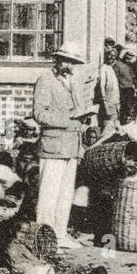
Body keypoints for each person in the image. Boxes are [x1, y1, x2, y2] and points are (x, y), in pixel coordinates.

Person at [32, 41, 93, 249]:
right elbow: (39, 113)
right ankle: (43, 238)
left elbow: (77, 109)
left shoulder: (74, 83)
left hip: (71, 145)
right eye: (67, 61)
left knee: (65, 194)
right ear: (57, 60)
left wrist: (82, 116)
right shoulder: (46, 81)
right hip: (53, 145)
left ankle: (59, 234)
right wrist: (68, 119)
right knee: (48, 194)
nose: (70, 65)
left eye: (73, 62)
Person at [96, 42, 121, 135]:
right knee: (107, 128)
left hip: (115, 105)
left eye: (114, 56)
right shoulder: (104, 68)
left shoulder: (111, 68)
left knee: (113, 128)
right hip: (108, 104)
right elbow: (101, 87)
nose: (112, 57)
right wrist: (105, 105)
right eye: (110, 55)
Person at [113, 43, 137, 124]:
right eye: (128, 55)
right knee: (123, 110)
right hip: (122, 90)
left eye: (131, 56)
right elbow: (115, 79)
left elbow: (133, 78)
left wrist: (136, 88)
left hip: (130, 90)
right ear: (124, 54)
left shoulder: (130, 66)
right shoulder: (118, 65)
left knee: (129, 109)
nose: (129, 57)